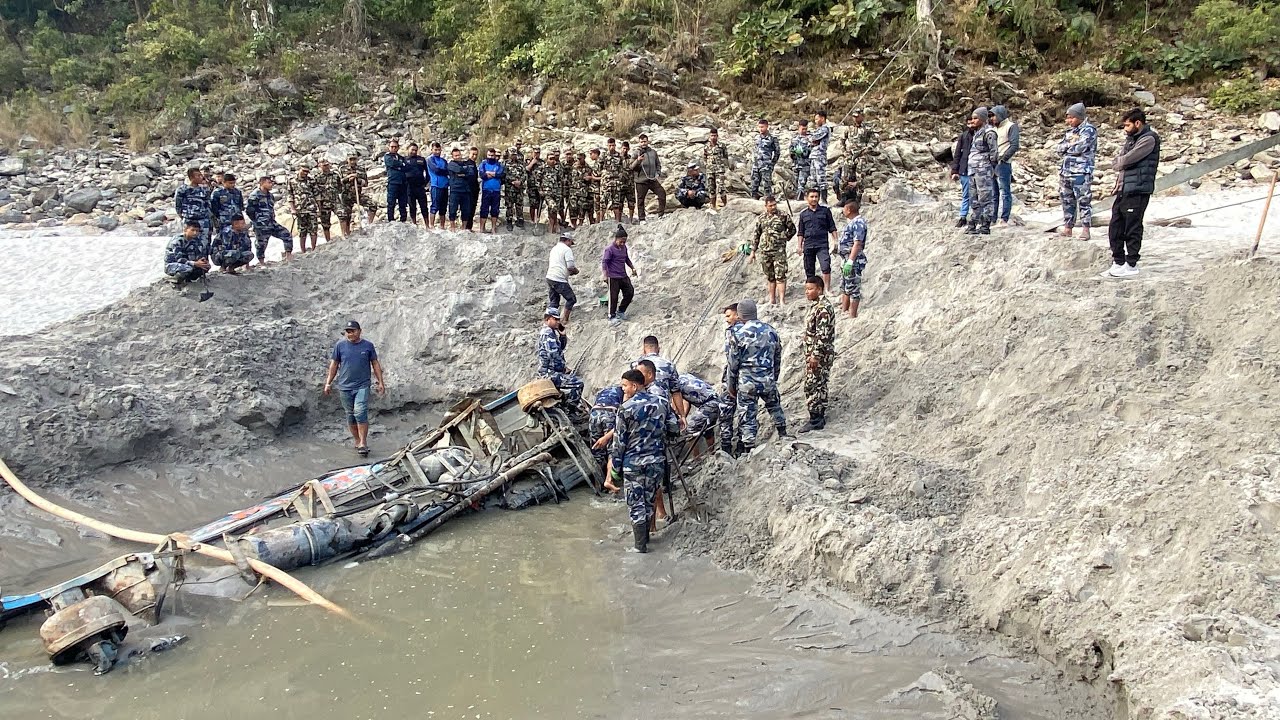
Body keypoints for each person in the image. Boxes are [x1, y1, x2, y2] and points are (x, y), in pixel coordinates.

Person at [609, 368, 679, 553]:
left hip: (633, 464)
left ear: (634, 385)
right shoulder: (663, 402)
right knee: (649, 501)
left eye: (624, 385)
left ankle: (640, 547)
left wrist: (615, 469)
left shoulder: (625, 408)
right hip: (656, 462)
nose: (622, 389)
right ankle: (646, 539)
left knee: (636, 504)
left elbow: (619, 442)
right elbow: (674, 429)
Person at [726, 298, 786, 455]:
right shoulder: (771, 331)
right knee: (774, 405)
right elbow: (777, 357)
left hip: (747, 382)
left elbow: (733, 364)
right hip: (767, 379)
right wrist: (774, 376)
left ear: (740, 315)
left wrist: (731, 385)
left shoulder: (737, 334)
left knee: (747, 414)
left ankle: (748, 448)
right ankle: (783, 433)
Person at [1107, 108, 1160, 278]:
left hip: (1138, 189)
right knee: (1115, 226)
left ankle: (1131, 264)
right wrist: (1118, 183)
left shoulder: (1149, 139)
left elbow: (1126, 160)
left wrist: (1120, 162)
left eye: (1127, 125)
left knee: (1132, 228)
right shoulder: (1131, 140)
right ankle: (1118, 262)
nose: (1125, 129)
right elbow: (1120, 162)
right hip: (1124, 189)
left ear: (1138, 123)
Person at [323, 320, 386, 458]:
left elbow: (375, 363)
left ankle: (363, 442)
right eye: (348, 331)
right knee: (350, 414)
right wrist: (328, 383)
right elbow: (334, 365)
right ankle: (357, 440)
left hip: (362, 385)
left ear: (359, 331)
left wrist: (380, 382)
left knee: (360, 411)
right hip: (345, 386)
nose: (350, 334)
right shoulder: (340, 346)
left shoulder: (368, 346)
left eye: (352, 331)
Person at [800, 276, 836, 433]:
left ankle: (815, 418)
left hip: (819, 355)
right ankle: (818, 416)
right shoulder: (817, 306)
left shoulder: (822, 309)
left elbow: (822, 335)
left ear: (819, 289)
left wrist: (815, 355)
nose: (807, 292)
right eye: (806, 289)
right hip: (817, 353)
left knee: (813, 385)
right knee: (819, 384)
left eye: (810, 289)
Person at [1057, 102, 1097, 240]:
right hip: (1066, 171)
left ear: (1079, 117)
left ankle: (1086, 229)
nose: (1069, 121)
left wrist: (1068, 147)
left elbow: (1079, 148)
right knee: (1066, 200)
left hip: (1081, 171)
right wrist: (1069, 146)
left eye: (1072, 117)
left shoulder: (1089, 130)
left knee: (1084, 200)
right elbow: (1059, 149)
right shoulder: (1070, 132)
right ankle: (1068, 228)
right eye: (1067, 118)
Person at [750, 195, 796, 305]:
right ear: (766, 206)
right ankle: (772, 300)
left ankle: (782, 300)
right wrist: (753, 251)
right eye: (770, 205)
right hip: (765, 251)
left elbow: (792, 229)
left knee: (780, 275)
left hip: (779, 251)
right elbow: (757, 234)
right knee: (770, 276)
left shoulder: (783, 215)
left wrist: (784, 238)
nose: (773, 207)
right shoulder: (761, 218)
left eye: (774, 205)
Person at [536, 308, 584, 407]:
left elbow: (560, 348)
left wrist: (562, 336)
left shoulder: (551, 332)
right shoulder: (547, 333)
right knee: (578, 383)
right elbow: (554, 355)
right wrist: (563, 369)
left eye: (558, 319)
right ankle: (571, 410)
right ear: (548, 319)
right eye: (555, 319)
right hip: (549, 374)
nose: (558, 322)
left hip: (551, 372)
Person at [795, 189, 837, 293]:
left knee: (826, 266)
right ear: (807, 198)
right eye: (812, 197)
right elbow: (801, 232)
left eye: (816, 197)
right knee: (809, 270)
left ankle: (826, 290)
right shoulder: (803, 214)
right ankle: (812, 291)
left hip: (822, 244)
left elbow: (832, 227)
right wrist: (799, 246)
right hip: (808, 245)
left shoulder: (825, 211)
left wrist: (835, 241)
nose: (814, 199)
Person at [965, 107, 998, 236]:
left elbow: (994, 153)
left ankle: (985, 225)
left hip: (983, 170)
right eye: (972, 118)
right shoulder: (977, 133)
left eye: (976, 118)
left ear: (983, 119)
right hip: (973, 171)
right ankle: (973, 224)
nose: (972, 121)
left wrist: (990, 168)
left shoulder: (989, 133)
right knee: (974, 199)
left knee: (986, 199)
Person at [245, 176, 293, 264]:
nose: (271, 185)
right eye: (269, 183)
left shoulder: (270, 196)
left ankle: (288, 256)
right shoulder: (255, 195)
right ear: (262, 183)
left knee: (286, 234)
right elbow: (249, 211)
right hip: (261, 224)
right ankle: (261, 262)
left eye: (271, 183)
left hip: (271, 222)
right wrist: (257, 221)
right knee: (261, 244)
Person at [716, 303, 744, 455]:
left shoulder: (735, 331)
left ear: (737, 315)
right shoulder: (747, 329)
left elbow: (733, 359)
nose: (726, 319)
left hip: (734, 378)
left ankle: (726, 447)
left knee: (726, 412)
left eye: (728, 316)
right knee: (744, 413)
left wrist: (729, 382)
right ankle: (741, 446)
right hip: (745, 378)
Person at [835, 200, 868, 318]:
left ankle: (852, 315)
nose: (843, 211)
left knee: (854, 288)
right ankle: (844, 310)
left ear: (848, 209)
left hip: (854, 260)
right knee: (845, 286)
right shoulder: (853, 222)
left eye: (844, 208)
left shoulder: (859, 223)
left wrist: (850, 261)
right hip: (846, 258)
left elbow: (857, 243)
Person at [590, 384, 625, 489]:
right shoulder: (623, 391)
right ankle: (609, 480)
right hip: (610, 413)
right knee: (612, 450)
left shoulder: (603, 390)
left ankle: (597, 483)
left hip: (594, 414)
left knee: (596, 449)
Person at [602, 224, 637, 324]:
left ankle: (621, 311)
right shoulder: (609, 249)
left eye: (624, 242)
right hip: (613, 276)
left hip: (623, 275)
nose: (622, 243)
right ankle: (611, 316)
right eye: (621, 241)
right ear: (616, 239)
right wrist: (605, 275)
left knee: (630, 292)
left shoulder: (624, 248)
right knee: (614, 297)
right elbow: (605, 262)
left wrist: (632, 268)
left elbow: (626, 259)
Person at [991, 105, 1020, 226]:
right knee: (993, 192)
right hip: (992, 163)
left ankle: (1004, 218)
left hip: (1003, 163)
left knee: (1005, 192)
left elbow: (1014, 145)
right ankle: (993, 218)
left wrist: (1004, 158)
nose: (992, 118)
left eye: (994, 116)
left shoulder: (1011, 126)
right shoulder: (993, 129)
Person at [633, 336, 682, 407]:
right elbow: (676, 392)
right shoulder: (669, 365)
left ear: (644, 350)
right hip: (662, 406)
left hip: (642, 406)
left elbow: (631, 388)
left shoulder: (636, 365)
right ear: (658, 349)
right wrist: (682, 413)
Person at [630, 134, 665, 222]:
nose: (643, 143)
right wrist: (638, 160)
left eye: (645, 141)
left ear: (648, 141)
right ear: (639, 142)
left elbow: (658, 164)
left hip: (652, 179)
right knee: (640, 200)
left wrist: (658, 173)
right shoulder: (636, 153)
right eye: (641, 142)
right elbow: (631, 167)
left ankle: (661, 215)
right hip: (641, 181)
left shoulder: (653, 152)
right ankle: (642, 219)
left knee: (662, 193)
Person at [164, 220, 211, 284]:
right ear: (185, 230)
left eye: (197, 231)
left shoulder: (195, 241)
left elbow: (197, 254)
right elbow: (179, 259)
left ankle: (188, 279)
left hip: (187, 263)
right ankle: (174, 279)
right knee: (188, 268)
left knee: (205, 267)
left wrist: (202, 261)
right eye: (192, 230)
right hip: (172, 265)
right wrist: (195, 263)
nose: (195, 233)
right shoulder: (177, 241)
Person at [546, 232, 578, 324]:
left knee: (554, 301)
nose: (571, 245)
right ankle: (565, 320)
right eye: (571, 243)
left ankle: (550, 321)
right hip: (559, 278)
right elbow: (570, 266)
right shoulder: (567, 249)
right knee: (571, 299)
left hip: (550, 277)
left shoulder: (554, 249)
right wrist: (575, 271)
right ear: (568, 241)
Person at [339, 154, 374, 236]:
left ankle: (370, 225)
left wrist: (358, 179)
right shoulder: (342, 169)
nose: (352, 161)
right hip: (346, 195)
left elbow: (366, 184)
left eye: (354, 159)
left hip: (358, 194)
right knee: (346, 214)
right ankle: (347, 233)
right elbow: (339, 183)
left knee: (372, 205)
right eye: (350, 159)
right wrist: (348, 178)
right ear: (347, 160)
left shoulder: (361, 169)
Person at [175, 167, 212, 244]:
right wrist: (183, 216)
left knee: (204, 242)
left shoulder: (205, 190)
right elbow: (178, 205)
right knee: (188, 241)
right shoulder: (183, 190)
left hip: (203, 220)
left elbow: (208, 204)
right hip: (189, 220)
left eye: (201, 175)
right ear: (191, 177)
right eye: (198, 176)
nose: (201, 177)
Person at [676, 372, 720, 438]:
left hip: (709, 404)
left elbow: (685, 404)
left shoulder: (676, 386)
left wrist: (682, 419)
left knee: (690, 430)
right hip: (716, 399)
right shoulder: (685, 376)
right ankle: (712, 445)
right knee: (708, 431)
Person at [288, 165, 320, 253]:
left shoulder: (311, 180)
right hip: (300, 209)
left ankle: (314, 249)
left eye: (307, 171)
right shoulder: (292, 180)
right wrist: (293, 209)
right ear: (299, 169)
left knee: (313, 229)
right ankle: (303, 250)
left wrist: (319, 209)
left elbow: (317, 195)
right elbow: (290, 195)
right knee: (302, 231)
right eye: (304, 171)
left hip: (311, 208)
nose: (305, 173)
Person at [949, 121, 975, 228]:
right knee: (966, 194)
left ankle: (976, 217)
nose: (971, 125)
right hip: (965, 169)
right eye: (968, 123)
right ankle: (963, 217)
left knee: (979, 195)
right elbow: (957, 154)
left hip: (978, 169)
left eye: (972, 123)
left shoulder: (983, 134)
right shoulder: (963, 136)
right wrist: (955, 171)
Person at [313, 159, 343, 243]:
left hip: (335, 201)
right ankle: (328, 240)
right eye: (324, 166)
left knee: (342, 215)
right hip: (324, 203)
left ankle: (344, 235)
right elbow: (315, 191)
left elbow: (340, 187)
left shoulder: (335, 175)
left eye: (327, 165)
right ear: (320, 166)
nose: (326, 167)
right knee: (325, 223)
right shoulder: (317, 177)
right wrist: (318, 205)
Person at [446, 147, 476, 232]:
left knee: (466, 210)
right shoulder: (451, 164)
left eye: (458, 155)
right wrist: (464, 172)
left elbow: (471, 173)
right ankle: (452, 227)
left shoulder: (465, 164)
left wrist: (461, 173)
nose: (457, 157)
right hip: (455, 190)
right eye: (455, 156)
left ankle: (464, 228)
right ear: (452, 156)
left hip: (465, 190)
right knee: (452, 209)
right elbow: (458, 169)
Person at [750, 119, 781, 200]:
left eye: (762, 127)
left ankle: (769, 202)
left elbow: (777, 152)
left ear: (767, 127)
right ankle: (753, 201)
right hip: (756, 165)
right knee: (754, 185)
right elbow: (754, 149)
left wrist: (772, 163)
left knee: (766, 185)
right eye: (759, 127)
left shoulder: (772, 138)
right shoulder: (757, 137)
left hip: (766, 165)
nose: (760, 129)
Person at [478, 147, 504, 233]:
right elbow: (482, 175)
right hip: (486, 189)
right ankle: (482, 228)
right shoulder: (483, 164)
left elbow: (500, 174)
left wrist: (489, 173)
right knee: (484, 209)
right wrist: (494, 174)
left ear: (495, 155)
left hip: (496, 190)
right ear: (487, 155)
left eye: (492, 155)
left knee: (495, 210)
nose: (490, 157)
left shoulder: (499, 164)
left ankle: (493, 228)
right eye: (489, 155)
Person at [809, 111, 832, 205]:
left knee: (821, 178)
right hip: (813, 155)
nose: (815, 121)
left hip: (820, 156)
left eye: (817, 119)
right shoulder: (819, 129)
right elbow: (811, 140)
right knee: (813, 179)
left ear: (822, 118)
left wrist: (814, 140)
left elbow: (813, 138)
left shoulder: (825, 128)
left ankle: (824, 200)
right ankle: (815, 200)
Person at [601, 138, 626, 224]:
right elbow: (598, 168)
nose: (611, 147)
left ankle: (617, 222)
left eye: (613, 145)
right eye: (610, 145)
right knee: (603, 203)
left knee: (616, 204)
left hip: (616, 183)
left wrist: (620, 178)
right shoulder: (603, 156)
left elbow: (622, 169)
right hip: (606, 184)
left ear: (615, 145)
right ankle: (601, 221)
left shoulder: (619, 156)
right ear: (607, 146)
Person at [404, 143, 430, 226]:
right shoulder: (404, 160)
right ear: (408, 149)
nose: (414, 152)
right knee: (412, 207)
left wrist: (425, 183)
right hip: (409, 187)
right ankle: (414, 224)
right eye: (412, 150)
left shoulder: (421, 159)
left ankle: (427, 225)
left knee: (424, 206)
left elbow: (427, 173)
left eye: (415, 150)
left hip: (420, 187)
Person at [704, 129, 730, 209]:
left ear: (717, 136)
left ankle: (726, 205)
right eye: (712, 135)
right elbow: (705, 157)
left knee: (721, 187)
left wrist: (725, 167)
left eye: (714, 135)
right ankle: (713, 206)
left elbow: (725, 157)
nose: (713, 137)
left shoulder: (722, 145)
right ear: (709, 136)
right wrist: (707, 165)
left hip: (719, 170)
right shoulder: (706, 146)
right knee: (711, 188)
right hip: (710, 170)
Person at [384, 139, 409, 222]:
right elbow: (392, 163)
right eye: (392, 147)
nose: (394, 148)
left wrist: (400, 166)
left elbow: (406, 167)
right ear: (389, 147)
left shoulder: (401, 157)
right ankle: (391, 220)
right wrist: (401, 165)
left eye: (395, 147)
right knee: (391, 203)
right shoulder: (387, 156)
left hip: (402, 183)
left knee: (403, 203)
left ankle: (403, 220)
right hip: (393, 182)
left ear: (398, 148)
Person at [427, 142, 450, 230]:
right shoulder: (430, 159)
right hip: (436, 185)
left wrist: (443, 171)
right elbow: (436, 170)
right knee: (435, 205)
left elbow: (448, 171)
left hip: (445, 185)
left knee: (443, 207)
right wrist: (443, 171)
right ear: (431, 150)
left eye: (439, 150)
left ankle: (442, 226)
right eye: (435, 150)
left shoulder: (443, 161)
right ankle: (431, 225)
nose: (437, 152)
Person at [503, 146, 526, 231]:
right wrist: (513, 181)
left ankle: (520, 220)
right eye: (512, 154)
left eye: (515, 154)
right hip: (510, 188)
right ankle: (509, 221)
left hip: (519, 188)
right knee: (509, 205)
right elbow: (504, 174)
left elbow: (524, 174)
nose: (513, 156)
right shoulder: (505, 164)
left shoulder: (521, 164)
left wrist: (520, 181)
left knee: (519, 204)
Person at [790, 119, 812, 201]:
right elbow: (791, 149)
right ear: (799, 128)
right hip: (796, 164)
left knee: (802, 182)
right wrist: (793, 153)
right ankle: (797, 196)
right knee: (795, 181)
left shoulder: (810, 138)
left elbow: (811, 150)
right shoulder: (794, 138)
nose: (804, 131)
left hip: (805, 164)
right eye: (802, 129)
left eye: (805, 129)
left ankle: (800, 198)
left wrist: (803, 152)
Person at [526, 146, 544, 226]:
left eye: (538, 153)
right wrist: (532, 163)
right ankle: (532, 220)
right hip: (531, 186)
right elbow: (526, 170)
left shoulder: (542, 162)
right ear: (532, 153)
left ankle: (538, 220)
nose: (536, 154)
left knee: (539, 203)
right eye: (535, 153)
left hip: (540, 186)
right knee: (532, 204)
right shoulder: (528, 161)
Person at [465, 146, 482, 229]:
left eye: (476, 155)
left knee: (472, 209)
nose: (474, 156)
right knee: (467, 209)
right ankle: (465, 227)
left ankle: (469, 227)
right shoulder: (466, 164)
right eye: (473, 154)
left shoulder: (475, 165)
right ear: (469, 154)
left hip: (474, 190)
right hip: (467, 190)